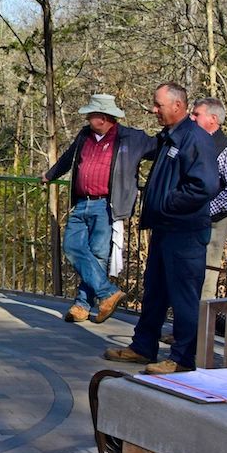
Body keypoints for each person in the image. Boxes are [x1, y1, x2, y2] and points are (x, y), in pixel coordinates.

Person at [105, 83, 219, 375]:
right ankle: (143, 346)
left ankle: (182, 358)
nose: (153, 110)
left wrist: (167, 204)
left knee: (183, 297)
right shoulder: (170, 137)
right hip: (164, 230)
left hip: (184, 231)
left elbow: (204, 186)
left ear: (178, 106)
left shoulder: (195, 139)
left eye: (158, 105)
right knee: (155, 291)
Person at [39, 94, 156, 323]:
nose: (87, 118)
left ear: (102, 117)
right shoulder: (85, 135)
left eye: (90, 115)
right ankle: (107, 293)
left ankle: (82, 305)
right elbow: (68, 158)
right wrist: (50, 175)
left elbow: (159, 148)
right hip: (82, 201)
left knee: (98, 255)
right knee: (72, 247)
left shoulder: (129, 137)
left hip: (106, 204)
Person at [191, 97, 227, 301]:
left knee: (206, 274)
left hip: (212, 221)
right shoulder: (193, 141)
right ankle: (185, 327)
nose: (191, 117)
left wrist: (208, 209)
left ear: (213, 118)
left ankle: (199, 329)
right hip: (189, 219)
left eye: (197, 114)